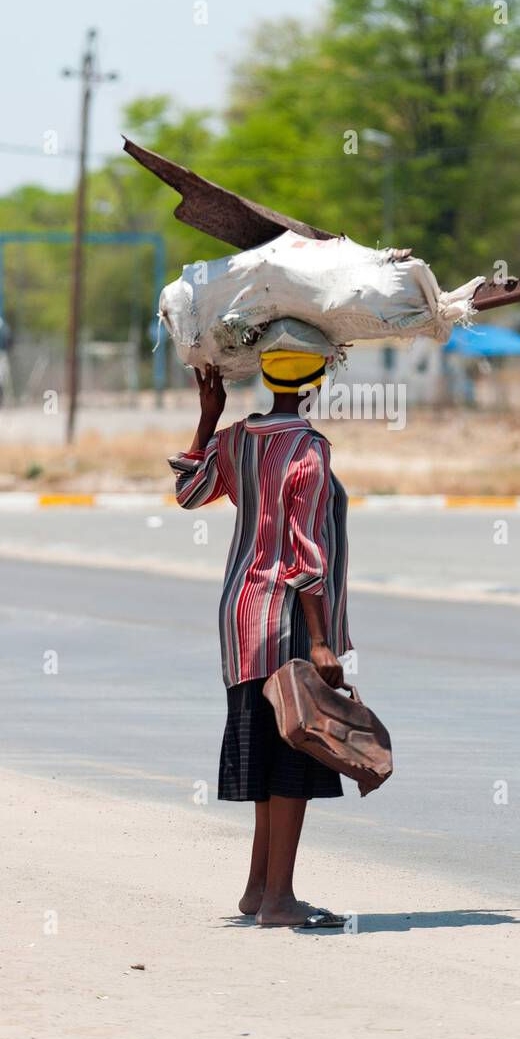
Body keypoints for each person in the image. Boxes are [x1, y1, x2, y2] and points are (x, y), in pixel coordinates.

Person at [169, 345, 351, 929]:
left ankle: (257, 890)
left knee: (270, 753)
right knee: (294, 755)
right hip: (287, 620)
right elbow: (306, 551)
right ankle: (278, 901)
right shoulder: (310, 449)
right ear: (319, 380)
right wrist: (321, 642)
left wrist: (207, 415)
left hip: (239, 615)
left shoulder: (234, 439)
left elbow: (188, 494)